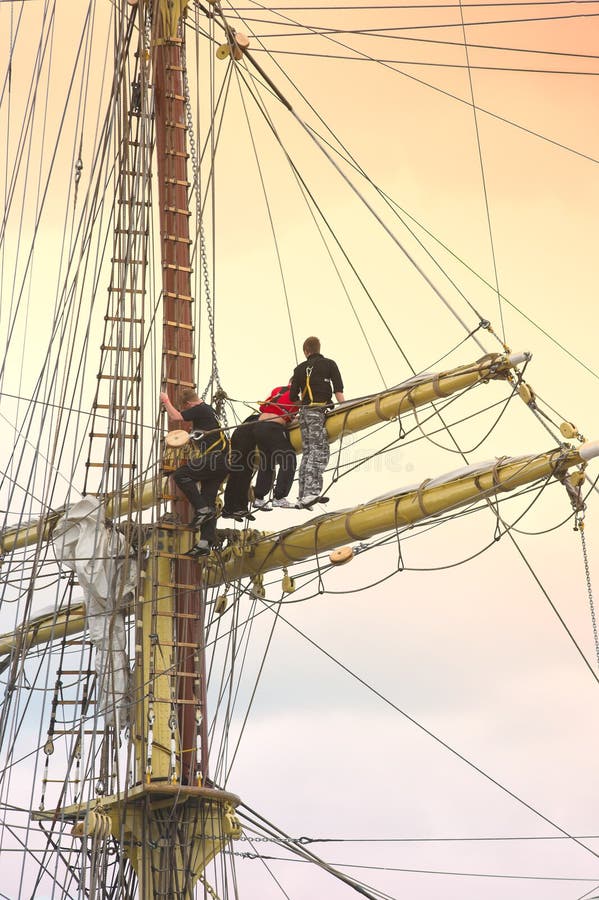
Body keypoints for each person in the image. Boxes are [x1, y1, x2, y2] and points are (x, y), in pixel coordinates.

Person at [160, 388, 229, 555]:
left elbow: (176, 417)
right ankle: (205, 543)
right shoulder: (209, 412)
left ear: (188, 404)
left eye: (185, 409)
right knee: (208, 500)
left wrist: (166, 401)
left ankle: (201, 510)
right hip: (222, 463)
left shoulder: (201, 409)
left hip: (215, 458)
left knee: (180, 475)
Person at [289, 337, 344, 507]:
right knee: (319, 450)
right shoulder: (329, 364)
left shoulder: (298, 369)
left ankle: (302, 496)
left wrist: (304, 405)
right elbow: (338, 391)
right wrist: (345, 407)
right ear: (319, 348)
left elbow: (292, 398)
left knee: (307, 452)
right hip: (318, 411)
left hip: (304, 414)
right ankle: (311, 493)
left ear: (306, 351)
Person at [252, 384, 299, 510]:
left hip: (259, 427)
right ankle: (279, 497)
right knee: (289, 458)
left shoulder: (277, 390)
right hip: (272, 428)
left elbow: (263, 407)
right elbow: (291, 419)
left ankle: (259, 498)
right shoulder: (298, 394)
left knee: (267, 462)